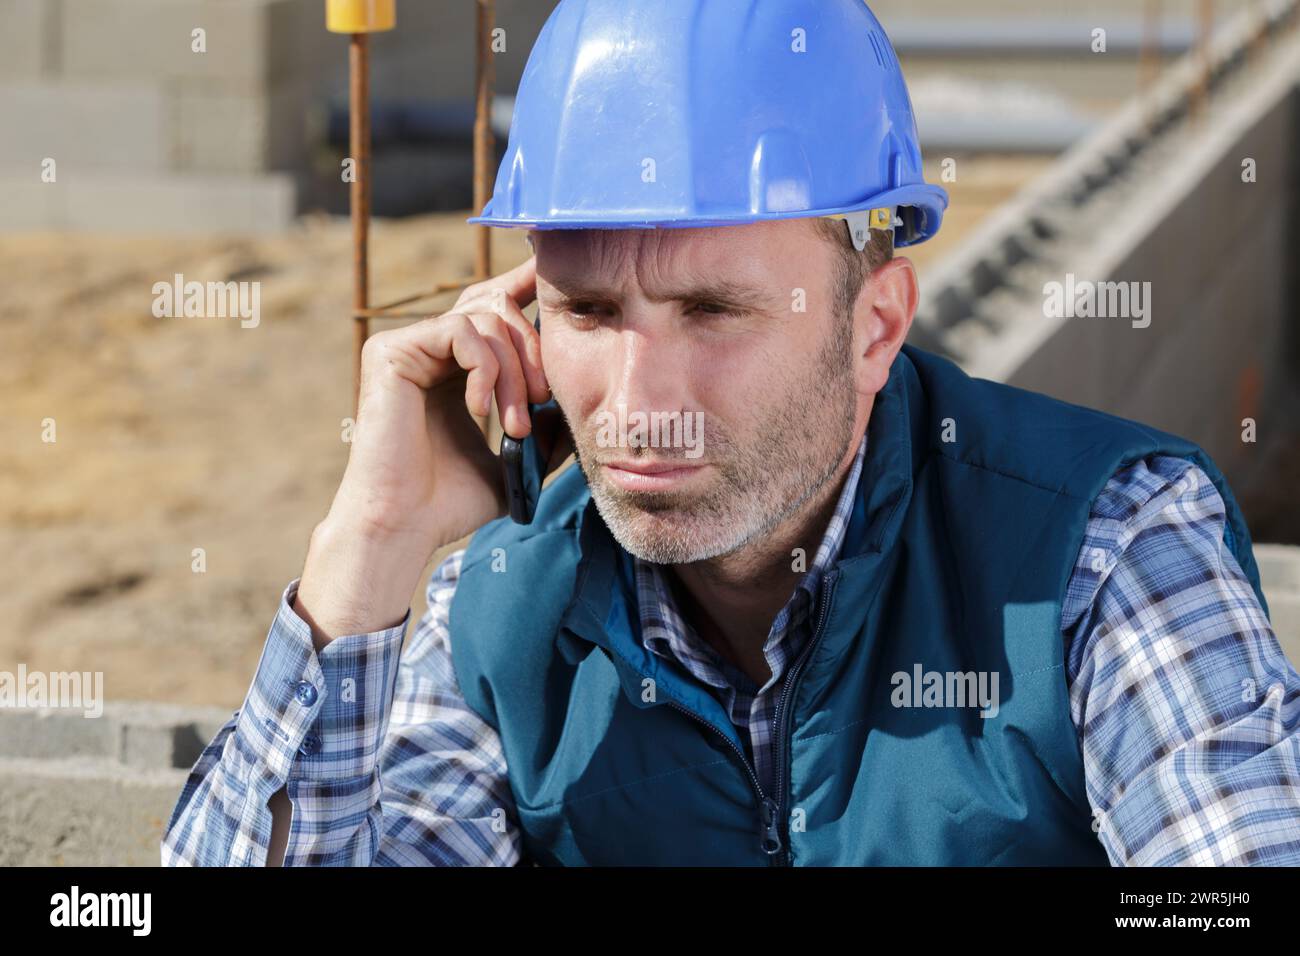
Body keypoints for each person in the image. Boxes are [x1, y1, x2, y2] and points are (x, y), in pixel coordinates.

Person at [162, 0, 1300, 866]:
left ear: (873, 325)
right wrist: (365, 554)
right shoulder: (505, 615)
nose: (639, 392)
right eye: (590, 312)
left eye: (713, 311)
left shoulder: (1101, 552)